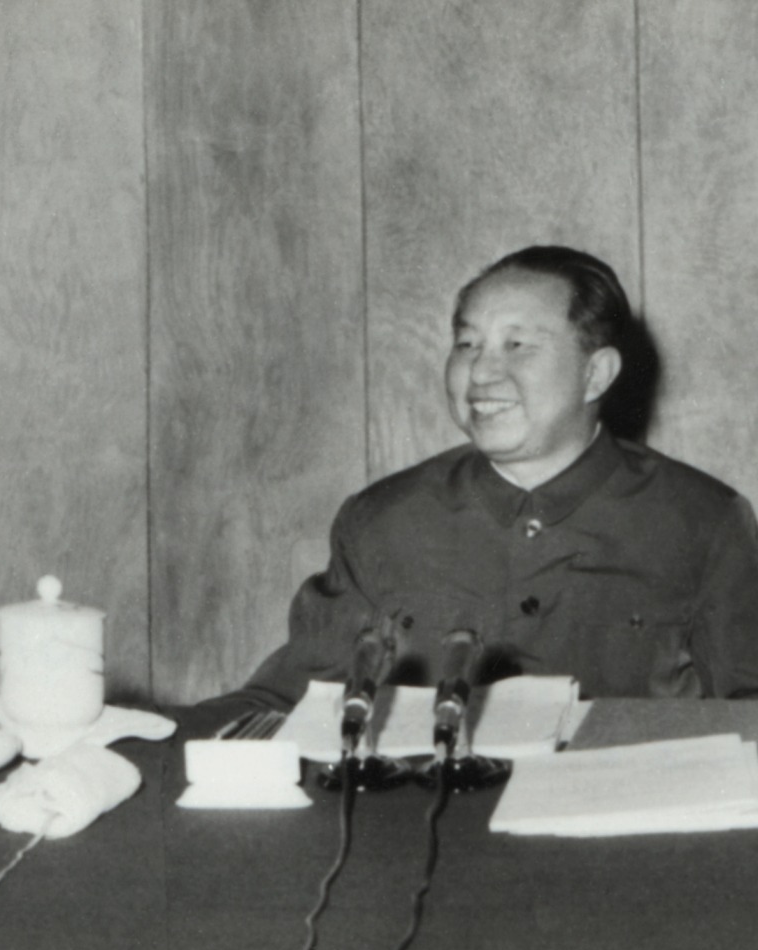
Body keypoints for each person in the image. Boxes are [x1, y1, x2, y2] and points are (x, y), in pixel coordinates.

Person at [209, 245, 758, 717]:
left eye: (517, 346)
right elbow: (288, 704)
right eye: (468, 344)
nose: (481, 373)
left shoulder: (703, 522)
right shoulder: (382, 520)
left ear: (596, 373)